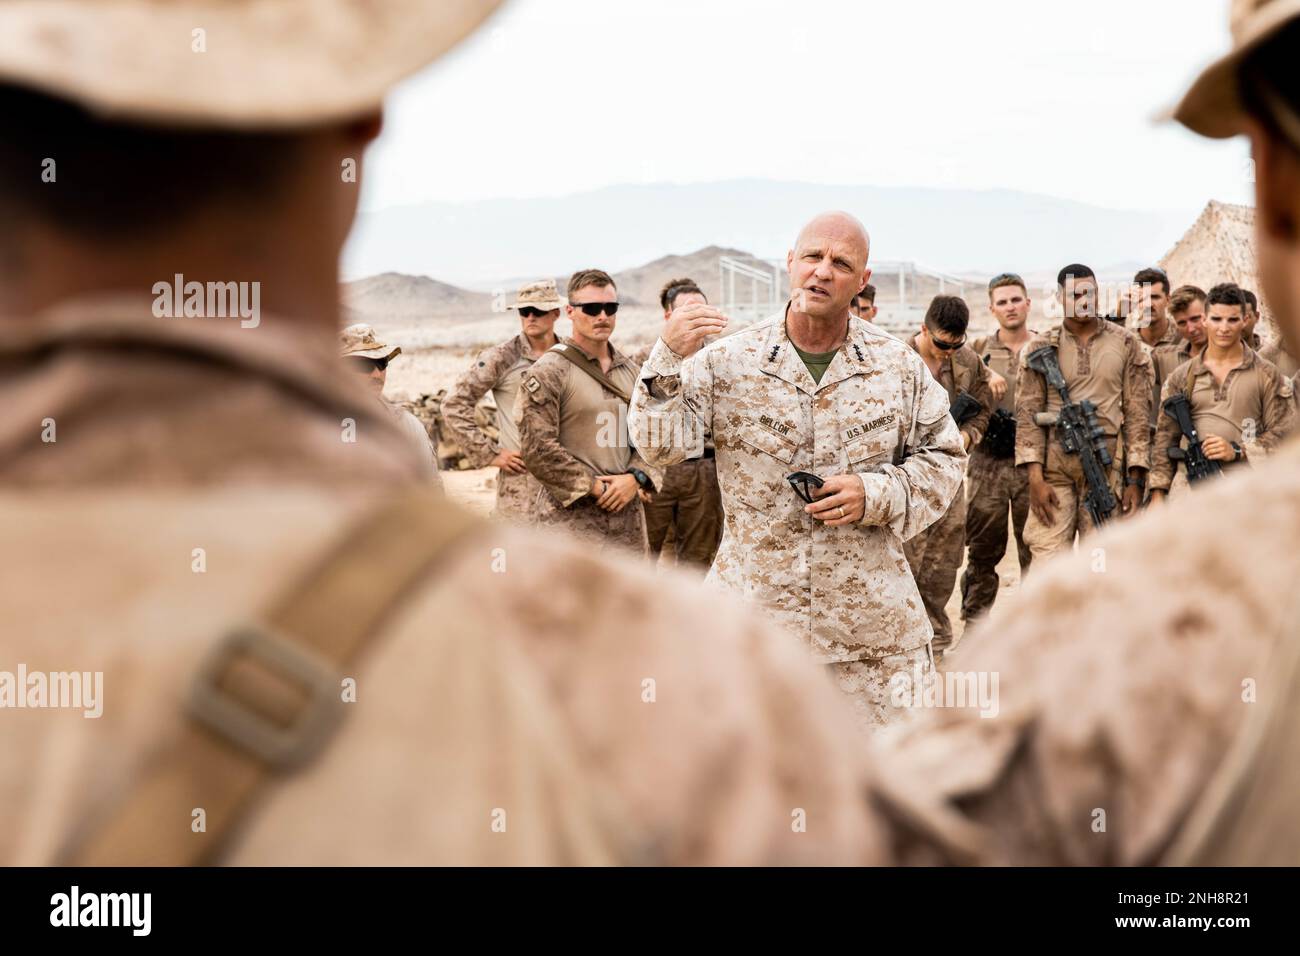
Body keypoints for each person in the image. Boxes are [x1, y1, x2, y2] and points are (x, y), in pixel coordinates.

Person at [0, 0, 886, 867]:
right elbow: (519, 432)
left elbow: (654, 442)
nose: (585, 316)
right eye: (578, 307)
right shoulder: (677, 690)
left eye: (597, 306)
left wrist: (640, 484)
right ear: (358, 124)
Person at [880, 0, 1300, 866]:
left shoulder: (1131, 616)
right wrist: (1034, 464)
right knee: (1032, 566)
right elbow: (1029, 413)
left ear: (1276, 181)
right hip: (1046, 474)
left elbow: (1148, 412)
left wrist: (1143, 474)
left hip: (1119, 472)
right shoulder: (1036, 353)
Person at [629, 210, 965, 729]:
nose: (823, 271)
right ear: (790, 264)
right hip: (754, 631)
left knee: (885, 784)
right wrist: (666, 358)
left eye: (840, 263)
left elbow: (945, 460)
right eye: (812, 256)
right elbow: (659, 446)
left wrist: (875, 493)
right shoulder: (727, 363)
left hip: (870, 641)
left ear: (862, 281)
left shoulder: (897, 367)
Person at [1015, 263, 1154, 559]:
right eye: (1075, 294)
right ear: (1059, 299)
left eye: (1089, 293)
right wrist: (1035, 479)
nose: (1084, 301)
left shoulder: (1127, 343)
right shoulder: (1042, 347)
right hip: (1054, 470)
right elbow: (1028, 416)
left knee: (1102, 562)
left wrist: (1135, 479)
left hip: (1107, 468)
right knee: (1048, 562)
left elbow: (1138, 413)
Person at [515, 269, 658, 554]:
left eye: (610, 308)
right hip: (568, 524)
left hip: (626, 524)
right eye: (591, 309)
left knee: (626, 598)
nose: (602, 316)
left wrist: (636, 478)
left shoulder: (632, 372)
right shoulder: (549, 371)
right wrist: (592, 486)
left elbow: (654, 434)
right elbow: (537, 447)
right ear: (570, 311)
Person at [903, 296, 994, 655]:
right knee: (904, 559)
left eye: (957, 345)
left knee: (944, 562)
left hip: (950, 479)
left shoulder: (968, 361)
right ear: (924, 329)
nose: (948, 352)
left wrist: (968, 436)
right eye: (942, 344)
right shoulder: (895, 358)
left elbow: (984, 408)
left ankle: (936, 642)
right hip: (905, 477)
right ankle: (904, 644)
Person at [1148, 282, 1295, 500]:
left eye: (1232, 319)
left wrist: (1238, 450)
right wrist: (1157, 495)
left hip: (1247, 491)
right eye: (1216, 319)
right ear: (1205, 320)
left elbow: (1285, 434)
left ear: (1245, 320)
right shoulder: (1181, 376)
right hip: (1190, 491)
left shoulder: (1267, 374)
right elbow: (1165, 441)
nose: (1224, 328)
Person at [441, 279, 561, 520]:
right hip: (522, 484)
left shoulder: (569, 355)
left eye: (538, 311)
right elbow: (454, 404)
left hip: (570, 480)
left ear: (556, 313)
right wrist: (490, 453)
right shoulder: (501, 358)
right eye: (524, 311)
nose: (530, 317)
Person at [961, 273, 1036, 624]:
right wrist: (985, 375)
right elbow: (927, 348)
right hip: (986, 462)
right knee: (981, 551)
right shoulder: (977, 350)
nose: (1010, 307)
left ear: (1028, 303)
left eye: (1015, 299)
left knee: (1034, 550)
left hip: (1032, 464)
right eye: (1002, 302)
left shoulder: (1045, 347)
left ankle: (1036, 629)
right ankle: (975, 629)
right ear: (992, 309)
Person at [635, 279, 725, 569]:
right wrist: (637, 472)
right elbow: (631, 418)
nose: (697, 316)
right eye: (687, 311)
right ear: (668, 317)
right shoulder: (646, 361)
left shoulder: (721, 358)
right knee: (643, 556)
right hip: (658, 471)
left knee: (698, 560)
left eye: (702, 309)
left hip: (705, 471)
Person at [339, 323, 442, 487]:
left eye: (382, 363)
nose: (377, 374)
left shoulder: (407, 425)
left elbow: (431, 489)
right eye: (365, 365)